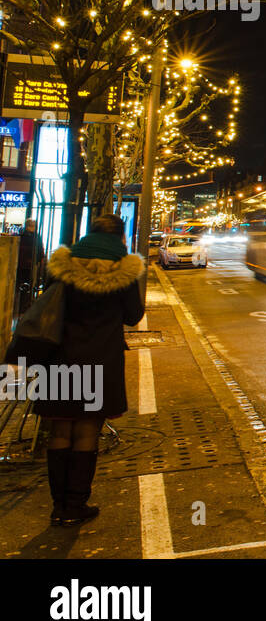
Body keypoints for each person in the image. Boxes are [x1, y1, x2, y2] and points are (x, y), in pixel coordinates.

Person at [36, 214, 145, 526]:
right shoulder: (124, 269)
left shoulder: (63, 264)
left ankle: (58, 506)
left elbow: (47, 304)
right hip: (101, 359)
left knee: (59, 430)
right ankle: (76, 504)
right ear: (121, 237)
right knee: (87, 430)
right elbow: (133, 316)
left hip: (60, 357)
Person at [15, 218, 46, 312]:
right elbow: (40, 251)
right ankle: (26, 306)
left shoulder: (20, 236)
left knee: (18, 286)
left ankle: (18, 306)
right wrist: (41, 262)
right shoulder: (36, 237)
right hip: (31, 265)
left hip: (20, 265)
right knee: (30, 285)